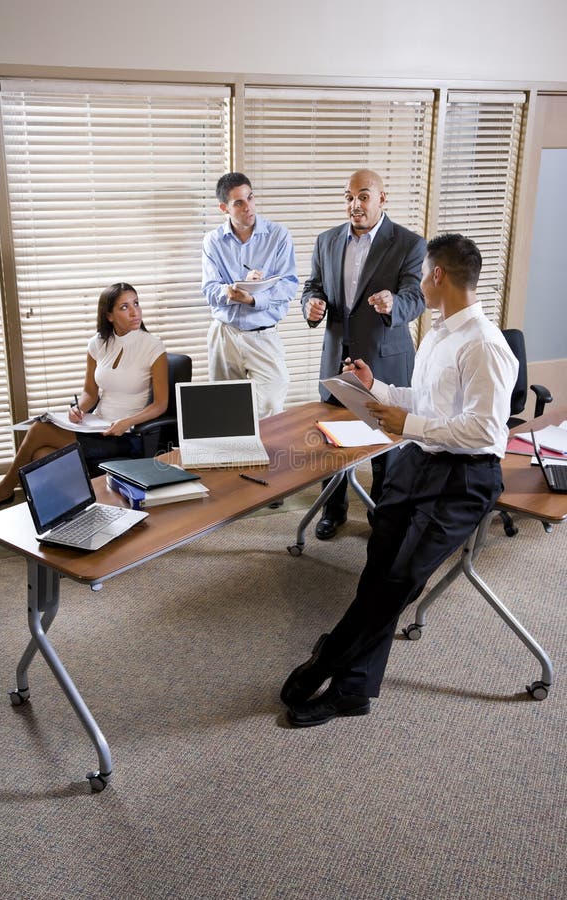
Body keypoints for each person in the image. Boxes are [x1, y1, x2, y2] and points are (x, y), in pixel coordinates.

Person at [281, 234, 519, 728]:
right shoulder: (437, 333)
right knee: (378, 572)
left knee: (398, 581)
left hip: (465, 477)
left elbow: (483, 430)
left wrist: (405, 425)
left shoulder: (485, 345)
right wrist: (376, 389)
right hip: (420, 459)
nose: (415, 284)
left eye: (423, 274)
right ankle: (354, 690)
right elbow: (424, 400)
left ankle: (330, 655)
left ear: (438, 276)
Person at [302, 168, 426, 540]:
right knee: (334, 441)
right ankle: (333, 510)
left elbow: (416, 297)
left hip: (386, 359)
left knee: (387, 445)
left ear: (382, 199)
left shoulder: (408, 243)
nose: (354, 205)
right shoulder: (326, 240)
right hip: (337, 357)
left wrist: (393, 303)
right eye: (349, 197)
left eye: (363, 196)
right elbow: (313, 287)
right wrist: (310, 304)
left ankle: (383, 515)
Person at [0, 283, 168, 512]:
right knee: (41, 454)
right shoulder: (98, 343)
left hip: (127, 436)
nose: (135, 312)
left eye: (136, 303)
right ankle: (67, 515)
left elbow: (160, 404)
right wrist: (78, 409)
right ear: (109, 315)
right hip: (97, 427)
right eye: (124, 307)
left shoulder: (153, 346)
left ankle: (4, 490)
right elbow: (90, 393)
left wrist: (127, 422)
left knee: (39, 430)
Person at [201, 172, 298, 419]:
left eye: (250, 198)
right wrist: (231, 291)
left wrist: (254, 297)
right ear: (224, 208)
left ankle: (268, 456)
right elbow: (210, 289)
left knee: (270, 404)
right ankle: (233, 457)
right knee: (226, 410)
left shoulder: (278, 236)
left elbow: (288, 285)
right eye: (239, 203)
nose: (248, 207)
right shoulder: (212, 241)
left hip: (262, 333)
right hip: (225, 334)